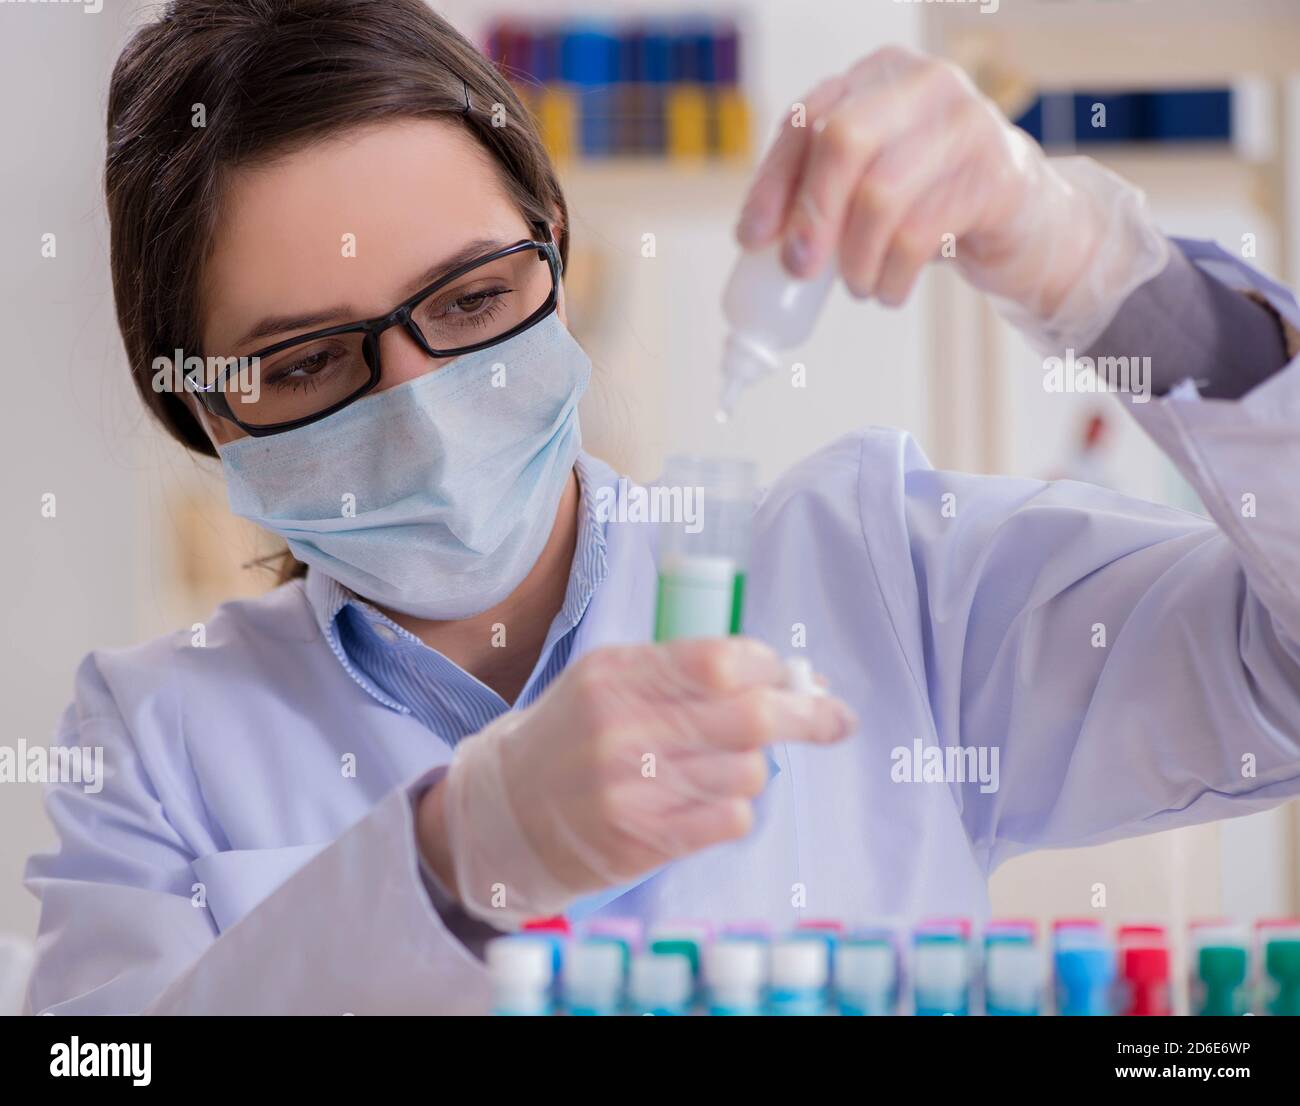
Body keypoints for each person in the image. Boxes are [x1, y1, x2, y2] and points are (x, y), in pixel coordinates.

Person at [24, 0, 1300, 1014]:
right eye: (304, 363)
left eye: (472, 300)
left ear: (557, 251)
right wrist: (447, 861)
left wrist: (1098, 273)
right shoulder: (154, 739)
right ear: (198, 410)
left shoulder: (887, 580)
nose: (418, 408)